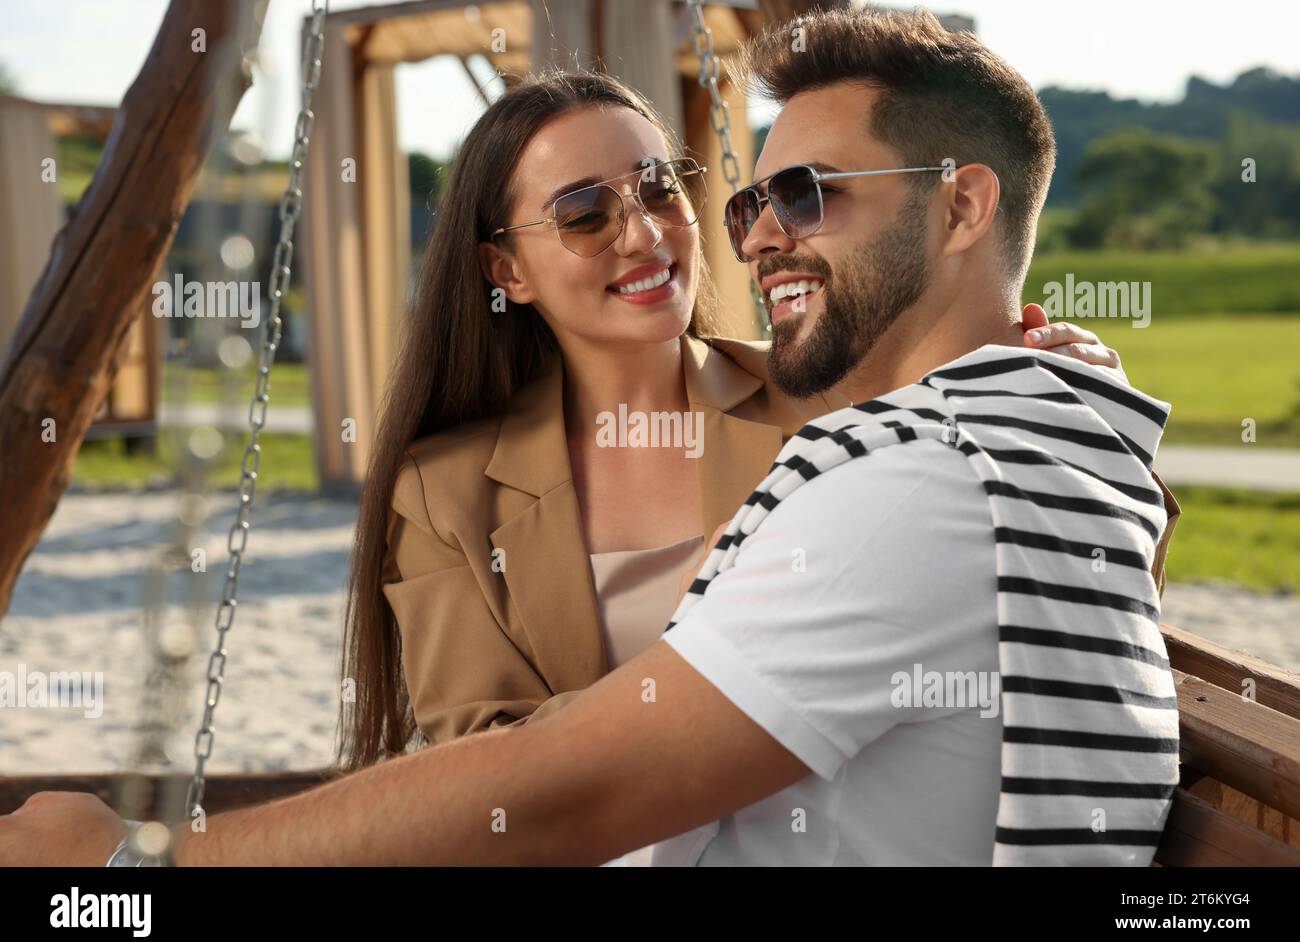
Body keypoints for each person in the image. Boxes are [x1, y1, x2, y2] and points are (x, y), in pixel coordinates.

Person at [0, 8, 1180, 867]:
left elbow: (562, 789)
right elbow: (507, 769)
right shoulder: (458, 483)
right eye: (584, 211)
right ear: (503, 270)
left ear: (963, 204)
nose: (659, 231)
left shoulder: (866, 442)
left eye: (666, 187)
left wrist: (137, 874)